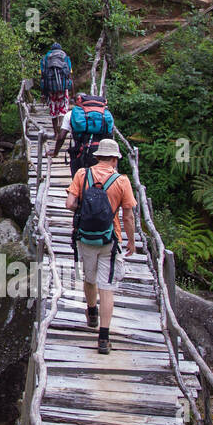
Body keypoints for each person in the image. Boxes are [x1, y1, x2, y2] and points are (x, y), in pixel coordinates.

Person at [64, 138, 136, 354]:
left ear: (97, 157)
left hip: (85, 237)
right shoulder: (122, 181)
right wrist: (131, 241)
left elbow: (69, 204)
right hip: (111, 239)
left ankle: (91, 311)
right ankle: (103, 338)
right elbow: (129, 216)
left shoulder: (81, 174)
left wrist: (84, 208)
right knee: (107, 286)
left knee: (89, 277)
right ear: (114, 159)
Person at [52, 91, 115, 176]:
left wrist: (55, 152)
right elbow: (110, 133)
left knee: (78, 179)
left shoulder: (70, 114)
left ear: (75, 102)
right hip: (100, 153)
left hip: (79, 151)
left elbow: (61, 137)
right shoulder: (102, 113)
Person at [38, 42, 72, 139]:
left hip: (50, 88)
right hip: (63, 88)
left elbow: (42, 74)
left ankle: (55, 133)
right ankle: (61, 127)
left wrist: (43, 91)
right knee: (63, 108)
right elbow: (69, 73)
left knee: (53, 109)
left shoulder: (45, 58)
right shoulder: (65, 56)